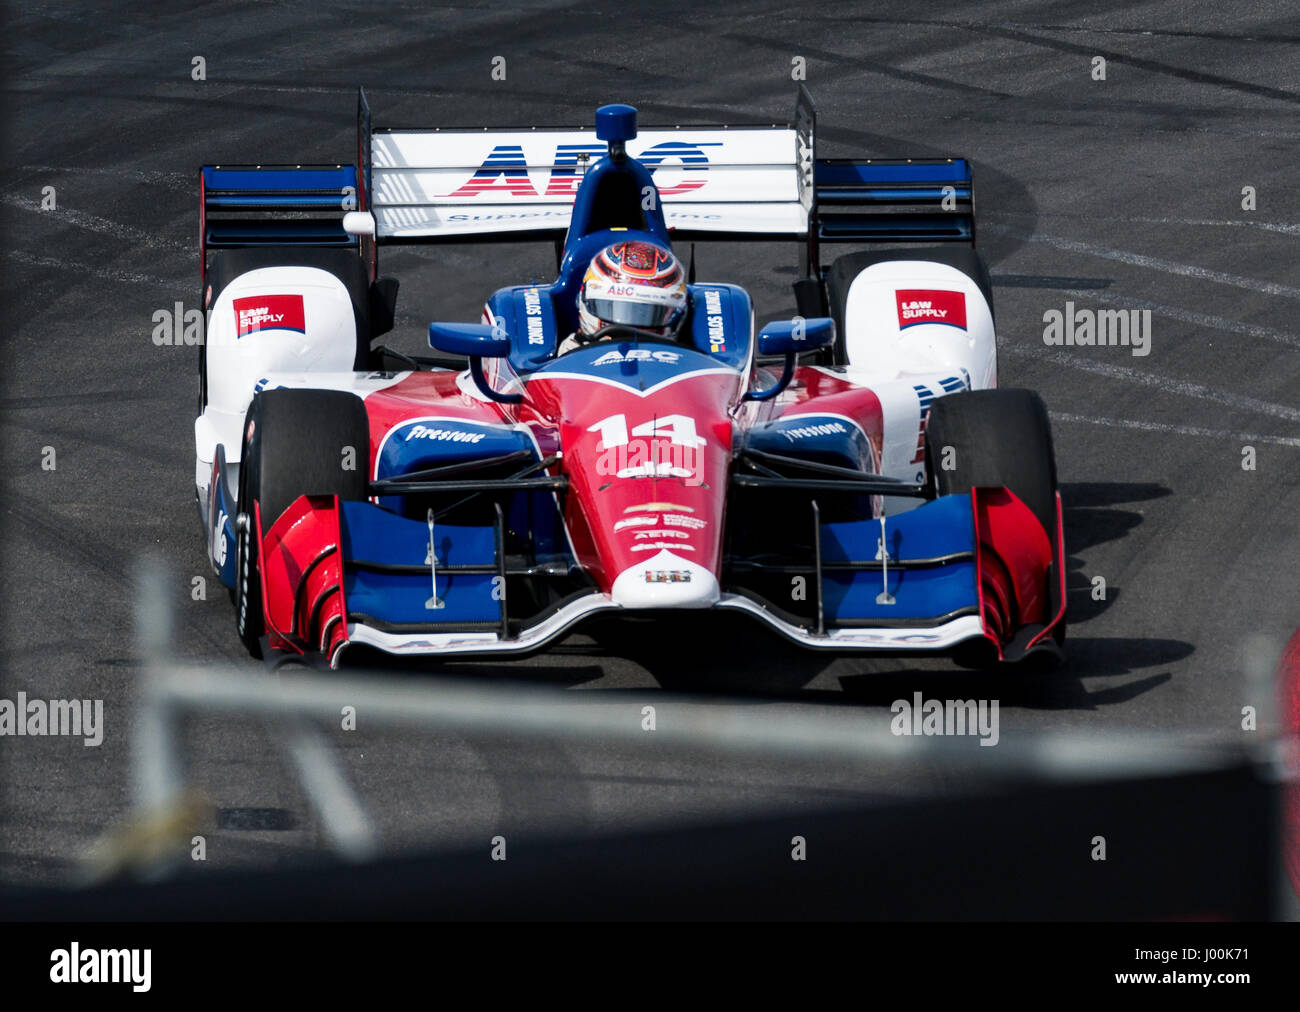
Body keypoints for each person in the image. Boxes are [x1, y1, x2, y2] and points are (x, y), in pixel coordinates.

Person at [556, 239, 688, 355]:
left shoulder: (690, 360)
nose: (628, 328)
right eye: (613, 308)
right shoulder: (571, 351)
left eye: (644, 312)